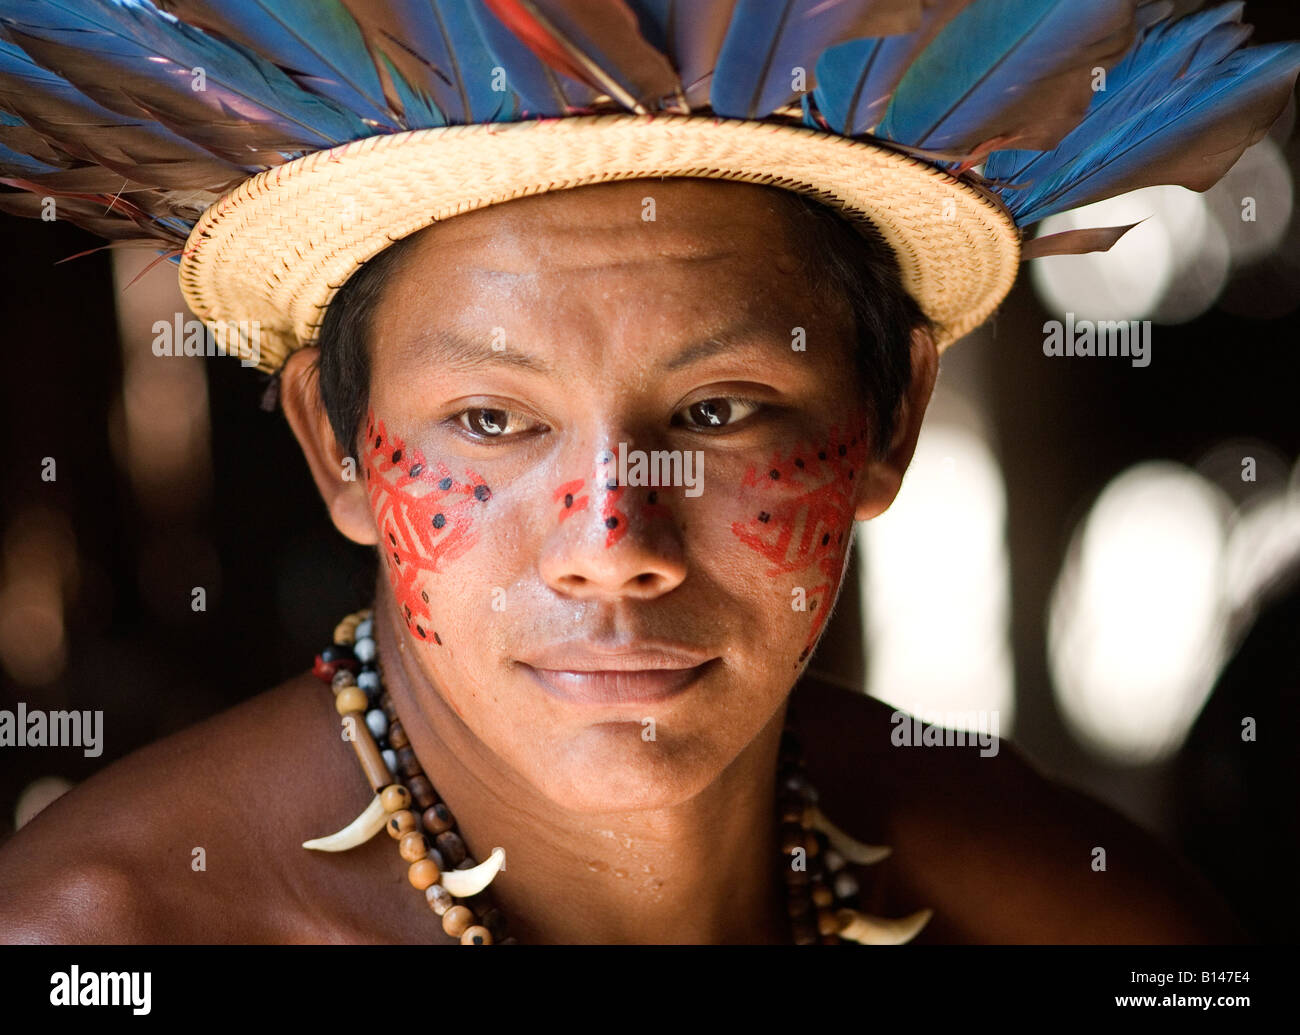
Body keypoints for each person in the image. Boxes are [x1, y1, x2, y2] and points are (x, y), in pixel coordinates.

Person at [0, 0, 1284, 944]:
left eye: (718, 412)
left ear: (889, 419)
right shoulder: (96, 944)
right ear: (337, 448)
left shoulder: (1069, 913)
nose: (613, 544)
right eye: (492, 421)